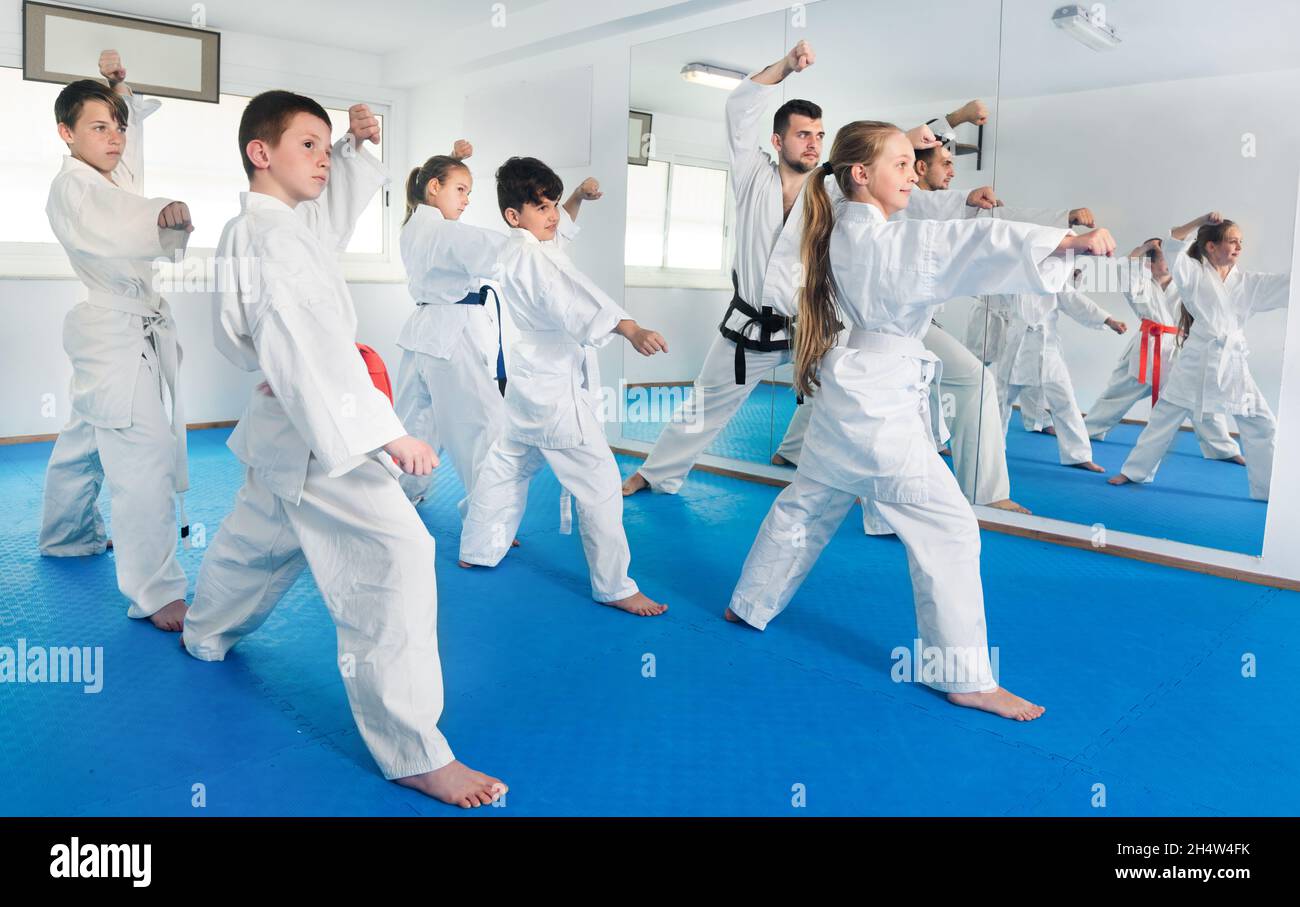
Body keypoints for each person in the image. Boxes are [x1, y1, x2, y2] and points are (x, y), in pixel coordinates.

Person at [725, 118, 1116, 720]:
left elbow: (952, 229)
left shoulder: (846, 227)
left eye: (915, 163)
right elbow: (972, 245)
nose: (914, 175)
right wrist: (1063, 242)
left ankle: (750, 603)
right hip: (878, 411)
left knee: (807, 503)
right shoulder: (888, 242)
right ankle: (962, 676)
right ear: (862, 174)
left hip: (846, 392)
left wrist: (1053, 233)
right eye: (903, 164)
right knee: (950, 530)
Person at [180, 91, 505, 808]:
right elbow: (308, 348)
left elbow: (276, 304)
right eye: (308, 146)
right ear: (260, 153)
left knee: (256, 539)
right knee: (398, 553)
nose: (323, 158)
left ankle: (204, 632)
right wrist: (388, 432)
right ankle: (414, 748)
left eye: (327, 148)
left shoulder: (267, 226)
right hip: (323, 425)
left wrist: (356, 150)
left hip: (284, 423)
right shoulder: (272, 238)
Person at [457, 156, 670, 617]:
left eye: (554, 203)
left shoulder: (520, 247)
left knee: (507, 464)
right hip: (555, 390)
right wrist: (630, 329)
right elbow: (577, 297)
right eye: (543, 207)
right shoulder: (534, 258)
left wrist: (573, 199)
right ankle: (614, 586)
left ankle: (479, 547)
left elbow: (558, 239)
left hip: (529, 378)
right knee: (600, 484)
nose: (554, 215)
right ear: (515, 216)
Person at [39, 50, 194, 632]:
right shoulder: (76, 188)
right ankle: (154, 590)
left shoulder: (102, 176)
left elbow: (124, 185)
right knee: (142, 456)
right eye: (98, 128)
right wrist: (162, 216)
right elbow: (121, 213)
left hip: (122, 329)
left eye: (118, 127)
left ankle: (66, 535)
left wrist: (117, 89)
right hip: (114, 332)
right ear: (66, 133)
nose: (116, 138)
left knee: (86, 435)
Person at [1110, 212, 1288, 500]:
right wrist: (1201, 220)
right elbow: (1174, 242)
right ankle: (1134, 471)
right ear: (1211, 247)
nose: (1239, 247)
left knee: (1262, 423)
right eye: (1232, 241)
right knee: (1164, 417)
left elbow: (1286, 285)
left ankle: (1267, 490)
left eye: (1240, 242)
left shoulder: (1248, 282)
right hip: (1196, 361)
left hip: (1232, 364)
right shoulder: (1191, 273)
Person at [1083, 238, 1242, 462]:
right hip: (1147, 347)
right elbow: (1127, 268)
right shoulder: (1140, 286)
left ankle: (1223, 449)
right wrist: (1146, 247)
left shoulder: (1186, 284)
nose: (1172, 263)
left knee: (1200, 398)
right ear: (1150, 264)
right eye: (1165, 259)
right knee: (1116, 395)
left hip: (1180, 348)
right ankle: (1087, 431)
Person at [989, 269, 1126, 471]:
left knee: (1065, 400)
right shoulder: (1013, 272)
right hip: (1017, 346)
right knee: (1000, 401)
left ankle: (1078, 455)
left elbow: (1076, 301)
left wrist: (1108, 320)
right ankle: (992, 448)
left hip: (1047, 346)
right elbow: (992, 291)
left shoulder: (1054, 277)